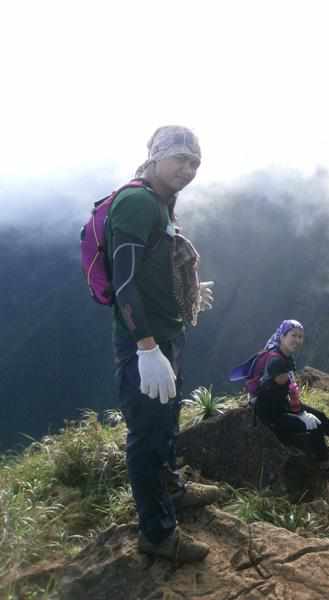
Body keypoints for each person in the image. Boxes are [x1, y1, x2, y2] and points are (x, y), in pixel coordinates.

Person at [108, 126, 220, 564]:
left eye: (195, 162)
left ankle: (171, 488)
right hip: (144, 344)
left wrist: (187, 291)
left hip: (166, 335)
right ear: (155, 157)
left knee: (167, 422)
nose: (188, 169)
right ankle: (156, 532)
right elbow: (125, 282)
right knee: (147, 435)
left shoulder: (160, 201)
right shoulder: (136, 202)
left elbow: (156, 265)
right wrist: (146, 348)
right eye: (179, 159)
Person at [248, 320, 329, 473]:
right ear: (282, 336)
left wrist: (299, 411)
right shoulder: (276, 362)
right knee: (313, 424)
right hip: (270, 414)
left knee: (319, 415)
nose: (297, 340)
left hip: (280, 405)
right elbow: (279, 393)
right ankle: (325, 466)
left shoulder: (282, 355)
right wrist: (301, 414)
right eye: (293, 335)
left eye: (300, 337)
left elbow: (283, 392)